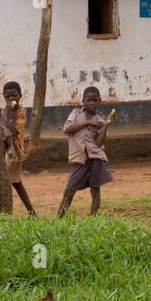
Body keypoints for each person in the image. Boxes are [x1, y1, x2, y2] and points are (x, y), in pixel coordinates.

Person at [57, 86, 113, 218]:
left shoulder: (100, 119)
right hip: (80, 158)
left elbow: (99, 143)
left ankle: (93, 219)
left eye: (95, 100)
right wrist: (87, 123)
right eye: (89, 100)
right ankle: (59, 218)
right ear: (83, 100)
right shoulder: (76, 113)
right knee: (70, 190)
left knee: (95, 190)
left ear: (100, 101)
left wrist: (106, 126)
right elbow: (68, 129)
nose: (92, 103)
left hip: (95, 157)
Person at [0, 81, 38, 216]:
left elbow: (13, 131)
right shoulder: (3, 111)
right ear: (4, 96)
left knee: (8, 183)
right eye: (8, 96)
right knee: (15, 183)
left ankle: (6, 213)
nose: (11, 99)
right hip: (3, 150)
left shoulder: (20, 112)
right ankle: (31, 212)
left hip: (14, 152)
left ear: (20, 96)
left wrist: (9, 114)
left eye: (14, 96)